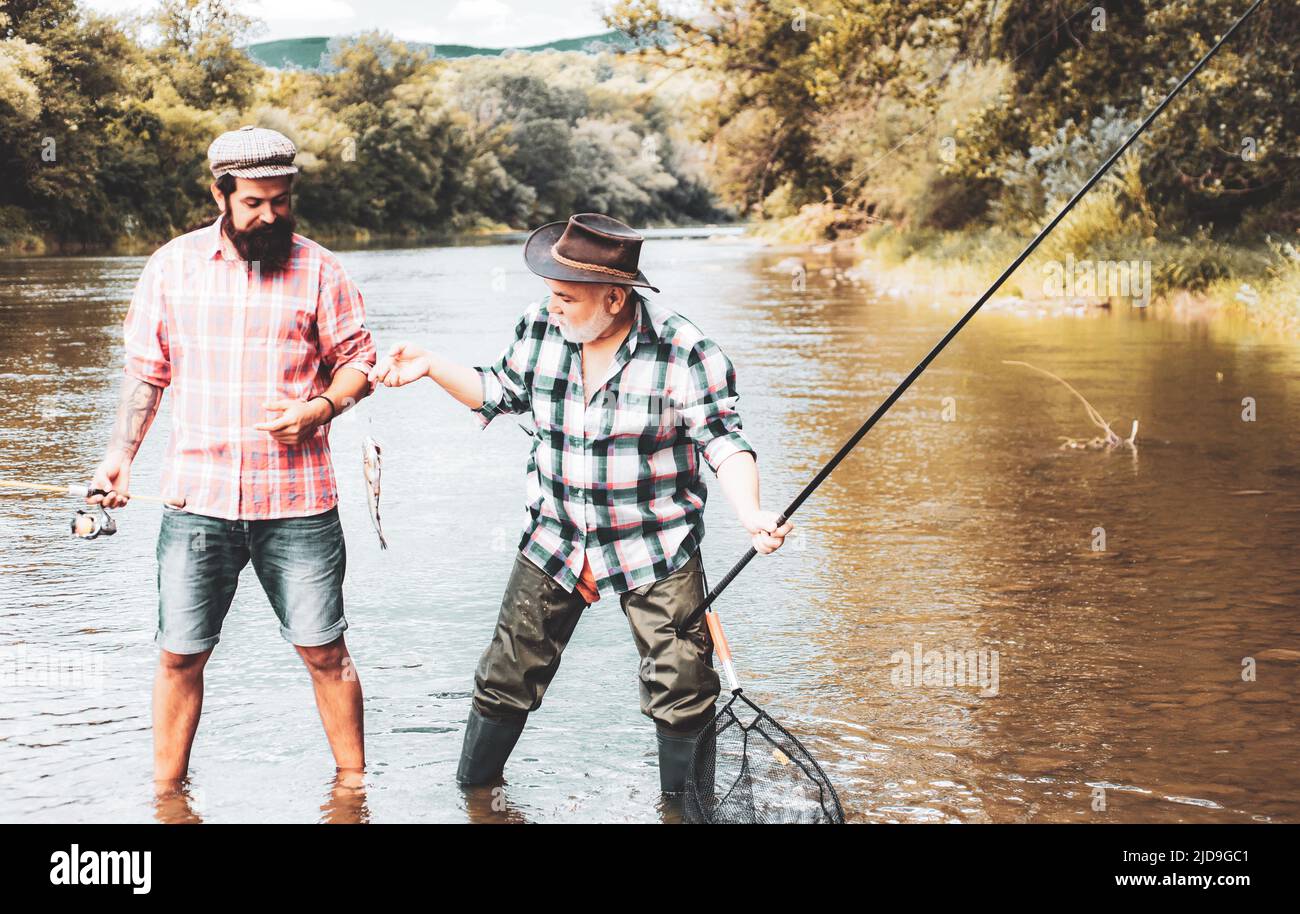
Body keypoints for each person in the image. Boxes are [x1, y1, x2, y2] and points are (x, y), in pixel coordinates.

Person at [369, 213, 792, 794]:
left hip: (655, 544)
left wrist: (751, 513)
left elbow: (724, 441)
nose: (553, 307)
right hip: (555, 537)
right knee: (505, 676)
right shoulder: (541, 328)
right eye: (551, 293)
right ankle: (475, 799)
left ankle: (685, 811)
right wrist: (431, 366)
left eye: (566, 297)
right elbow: (499, 390)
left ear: (614, 298)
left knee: (684, 690)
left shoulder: (686, 350)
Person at [87, 126, 376, 792]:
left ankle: (355, 792)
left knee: (325, 651)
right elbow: (146, 373)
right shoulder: (171, 266)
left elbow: (358, 363)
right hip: (196, 501)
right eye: (253, 202)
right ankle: (166, 799)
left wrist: (320, 410)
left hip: (299, 504)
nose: (269, 214)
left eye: (280, 200)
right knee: (179, 656)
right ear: (221, 193)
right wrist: (119, 457)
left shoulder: (323, 269)